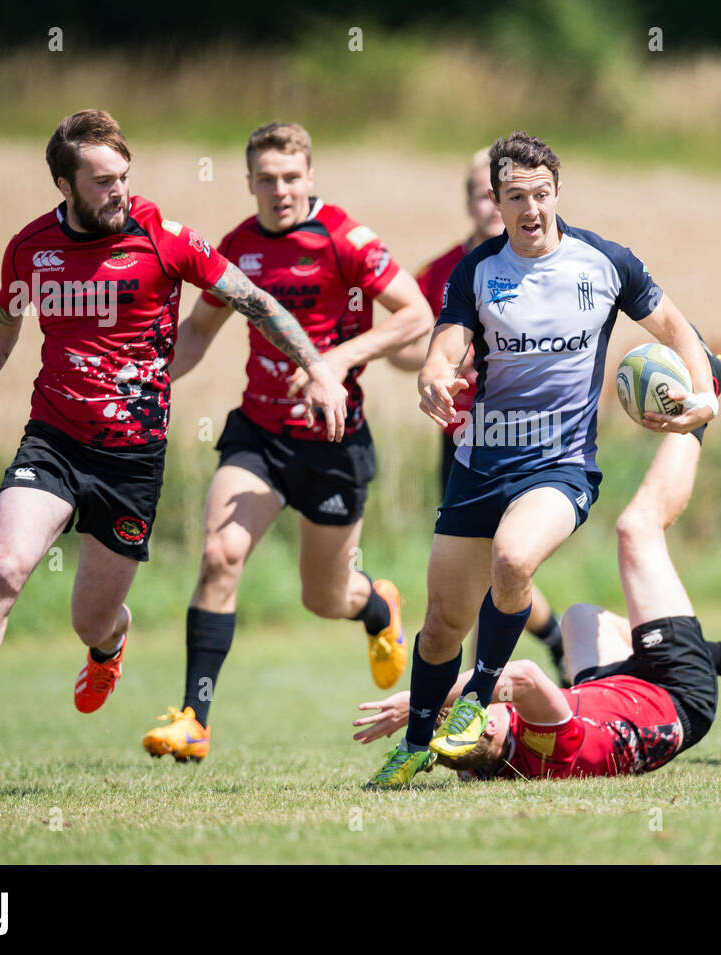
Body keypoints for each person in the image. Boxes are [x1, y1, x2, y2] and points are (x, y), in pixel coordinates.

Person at [0, 109, 347, 780]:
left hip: (132, 458)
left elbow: (251, 299)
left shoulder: (163, 237)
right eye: (103, 180)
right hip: (52, 439)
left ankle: (109, 644)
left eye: (124, 177)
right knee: (7, 564)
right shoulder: (30, 250)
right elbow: (0, 330)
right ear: (65, 184)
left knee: (90, 619)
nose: (119, 191)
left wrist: (315, 365)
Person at [365, 128, 721, 789]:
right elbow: (445, 344)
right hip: (479, 464)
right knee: (443, 621)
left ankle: (474, 704)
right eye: (514, 197)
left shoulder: (605, 263)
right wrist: (433, 377)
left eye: (540, 194)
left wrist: (704, 397)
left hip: (559, 465)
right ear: (495, 205)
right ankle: (417, 745)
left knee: (513, 558)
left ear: (557, 192)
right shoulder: (478, 270)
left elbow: (677, 330)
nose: (530, 209)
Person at [139, 122, 434, 763]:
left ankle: (377, 607)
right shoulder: (237, 249)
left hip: (333, 442)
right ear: (249, 183)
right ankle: (194, 719)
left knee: (324, 598)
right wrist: (147, 379)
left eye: (292, 177)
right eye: (267, 179)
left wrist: (330, 364)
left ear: (310, 177)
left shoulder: (345, 239)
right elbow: (194, 334)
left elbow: (417, 316)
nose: (280, 190)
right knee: (220, 555)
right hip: (260, 434)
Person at [352, 428, 721, 782]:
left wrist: (438, 736)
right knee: (636, 528)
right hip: (678, 694)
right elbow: (523, 677)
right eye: (477, 715)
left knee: (581, 619)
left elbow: (473, 758)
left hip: (607, 691)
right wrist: (421, 703)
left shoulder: (496, 763)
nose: (479, 711)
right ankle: (701, 407)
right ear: (487, 727)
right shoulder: (546, 738)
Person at [388, 148, 569, 686]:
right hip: (465, 440)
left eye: (529, 194)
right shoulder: (446, 271)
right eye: (483, 193)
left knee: (504, 565)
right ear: (481, 198)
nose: (500, 205)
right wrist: (439, 363)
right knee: (476, 577)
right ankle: (547, 638)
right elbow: (402, 347)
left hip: (532, 439)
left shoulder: (554, 259)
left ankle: (481, 691)